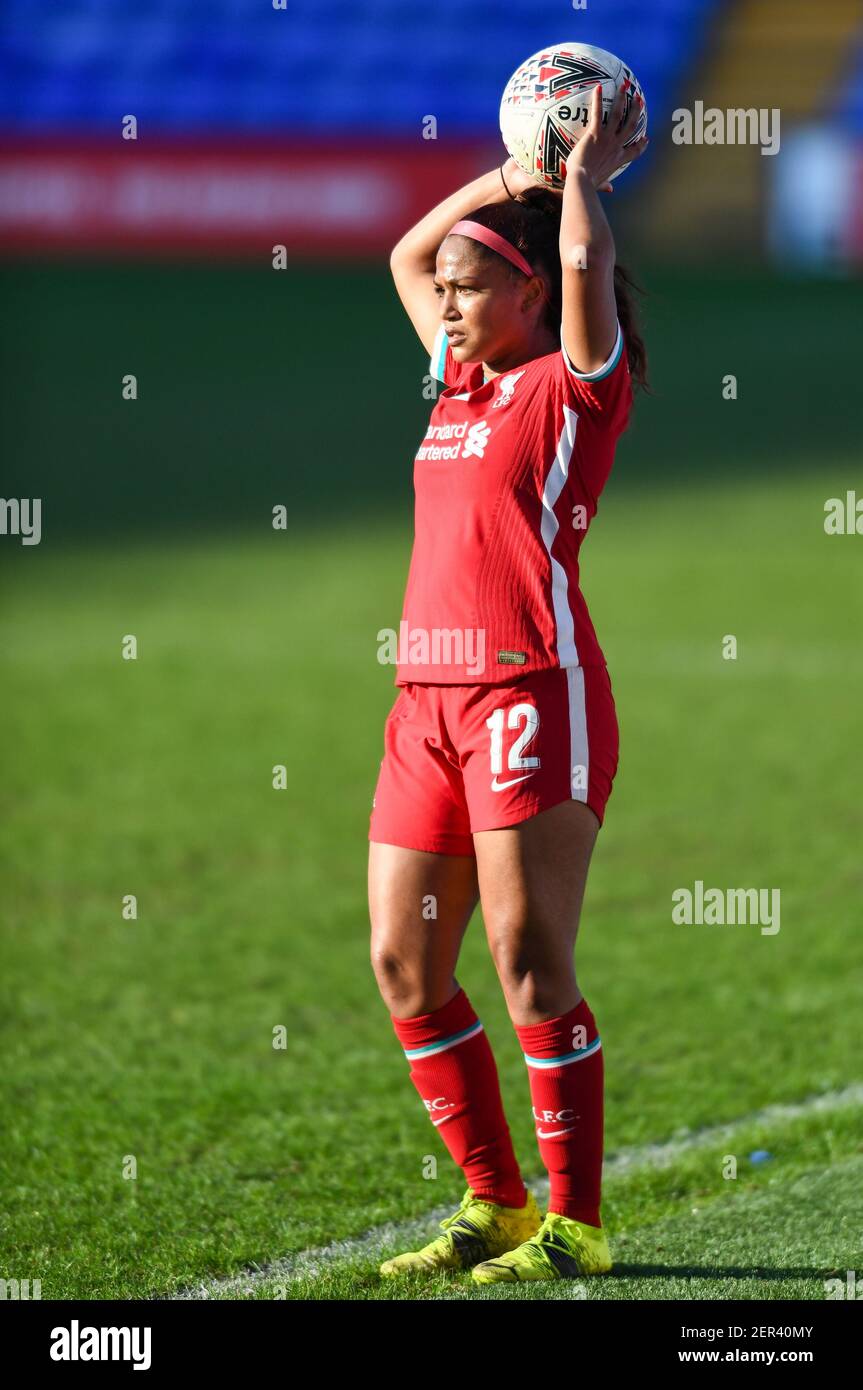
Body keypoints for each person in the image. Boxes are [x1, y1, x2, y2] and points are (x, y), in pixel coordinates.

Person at [368, 82, 649, 1283]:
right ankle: (495, 1204)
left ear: (534, 294)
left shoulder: (570, 387)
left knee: (527, 957)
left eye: (473, 287)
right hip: (420, 706)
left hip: (529, 692)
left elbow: (581, 253)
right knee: (402, 964)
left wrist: (573, 177)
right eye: (447, 295)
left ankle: (574, 1221)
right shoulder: (455, 378)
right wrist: (511, 172)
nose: (445, 298)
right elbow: (406, 249)